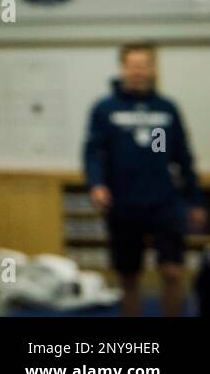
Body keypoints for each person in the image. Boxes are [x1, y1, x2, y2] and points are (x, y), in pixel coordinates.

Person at [84, 42, 206, 316]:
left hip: (164, 202)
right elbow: (93, 153)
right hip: (124, 204)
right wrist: (97, 184)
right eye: (132, 65)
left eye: (144, 65)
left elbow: (180, 157)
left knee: (173, 272)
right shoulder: (105, 109)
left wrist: (195, 201)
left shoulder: (165, 109)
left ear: (152, 69)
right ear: (123, 68)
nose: (138, 71)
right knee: (129, 278)